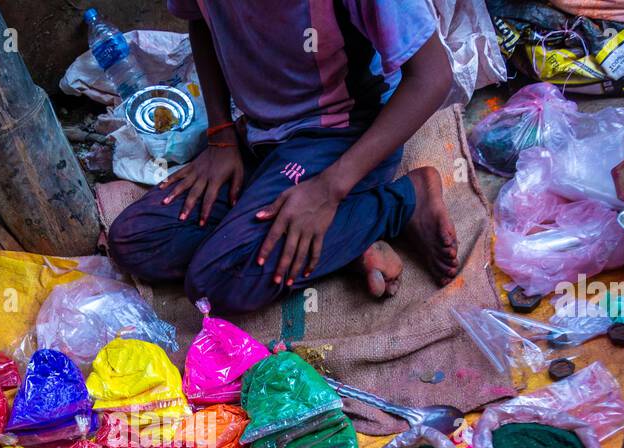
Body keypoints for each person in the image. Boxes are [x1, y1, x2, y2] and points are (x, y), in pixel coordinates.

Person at [106, 0, 460, 315]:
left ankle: (404, 200)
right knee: (135, 242)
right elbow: (200, 21)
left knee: (215, 284)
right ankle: (344, 238)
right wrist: (221, 136)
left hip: (341, 135)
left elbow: (432, 77)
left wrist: (328, 189)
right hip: (259, 135)